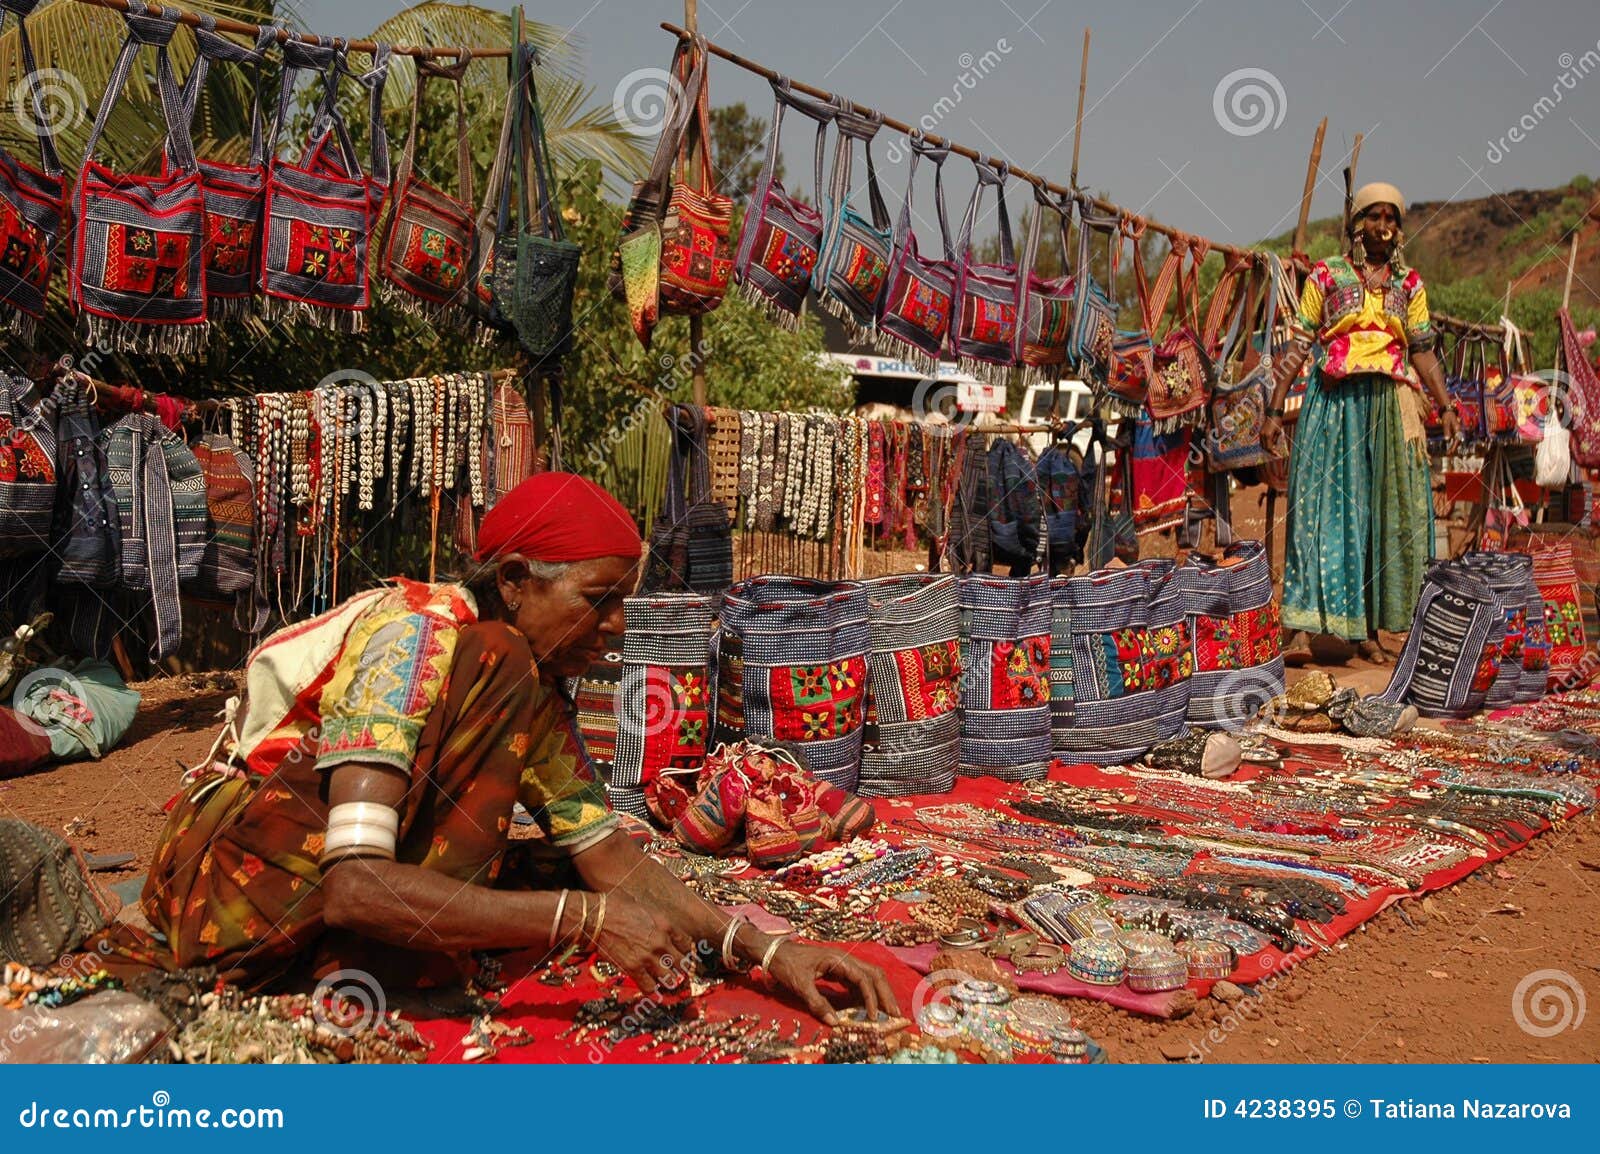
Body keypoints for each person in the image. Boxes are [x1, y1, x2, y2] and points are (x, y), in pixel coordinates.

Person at [125, 472, 896, 1024]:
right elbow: (355, 887)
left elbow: (610, 859)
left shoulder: (523, 679)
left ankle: (389, 956)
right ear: (519, 579)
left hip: (311, 890)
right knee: (549, 870)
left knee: (556, 864)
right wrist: (585, 922)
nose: (618, 626)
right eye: (599, 600)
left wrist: (762, 952)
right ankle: (359, 968)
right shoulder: (423, 642)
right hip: (230, 910)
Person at [1261, 182, 1460, 665]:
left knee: (1381, 517)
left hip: (1389, 406)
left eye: (1392, 219)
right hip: (1333, 401)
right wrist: (1272, 409)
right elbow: (1299, 343)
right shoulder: (1327, 275)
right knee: (1316, 511)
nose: (1384, 227)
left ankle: (1368, 633)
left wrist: (1446, 404)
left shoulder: (1409, 285)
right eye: (1375, 217)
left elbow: (1422, 348)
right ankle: (1302, 630)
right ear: (1358, 224)